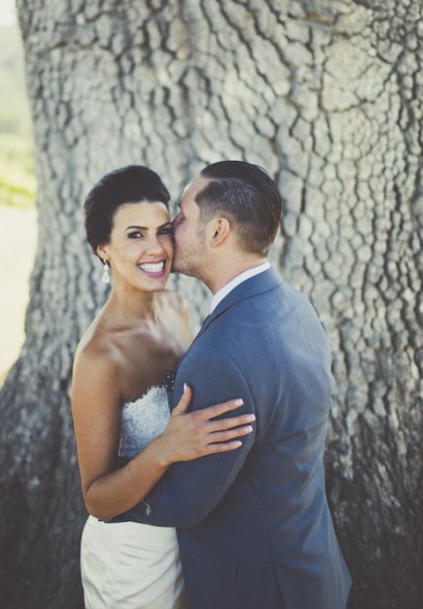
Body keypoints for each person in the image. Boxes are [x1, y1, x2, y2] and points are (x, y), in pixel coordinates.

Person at [114, 160, 352, 609]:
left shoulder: (221, 356)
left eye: (182, 216)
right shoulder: (292, 305)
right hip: (311, 565)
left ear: (218, 231)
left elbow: (186, 501)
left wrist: (109, 500)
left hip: (259, 587)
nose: (170, 228)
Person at [71, 165, 256, 609]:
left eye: (163, 231)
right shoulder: (99, 358)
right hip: (133, 557)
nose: (156, 249)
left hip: (191, 535)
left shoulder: (177, 309)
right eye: (135, 235)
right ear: (103, 249)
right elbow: (96, 499)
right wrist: (165, 449)